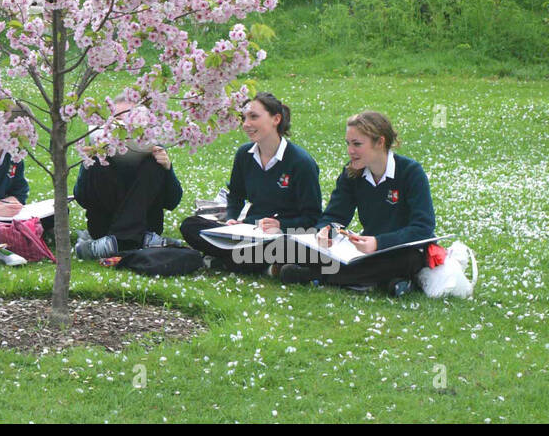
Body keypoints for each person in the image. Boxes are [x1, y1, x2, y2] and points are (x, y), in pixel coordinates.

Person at [280, 110, 436, 295]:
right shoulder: (352, 173)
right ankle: (388, 282)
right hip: (365, 251)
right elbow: (334, 215)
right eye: (348, 143)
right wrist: (326, 230)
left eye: (357, 144)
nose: (350, 151)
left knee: (405, 261)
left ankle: (318, 277)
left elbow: (423, 227)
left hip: (402, 250)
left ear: (380, 142)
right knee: (302, 247)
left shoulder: (410, 172)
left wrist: (378, 243)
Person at [180, 93, 321, 273]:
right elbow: (236, 195)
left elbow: (313, 218)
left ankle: (228, 260)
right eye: (243, 118)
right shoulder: (244, 154)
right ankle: (251, 263)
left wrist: (280, 225)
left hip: (280, 235)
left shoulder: (301, 162)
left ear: (276, 119)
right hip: (247, 230)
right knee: (190, 226)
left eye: (253, 117)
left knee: (286, 245)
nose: (246, 124)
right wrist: (231, 218)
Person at [72, 102, 184, 259]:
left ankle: (115, 242)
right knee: (99, 162)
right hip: (106, 228)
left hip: (146, 227)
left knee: (154, 165)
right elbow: (82, 197)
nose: (125, 123)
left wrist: (167, 168)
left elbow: (173, 201)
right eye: (119, 118)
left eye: (131, 117)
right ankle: (132, 240)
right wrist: (87, 164)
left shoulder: (154, 151)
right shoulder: (99, 152)